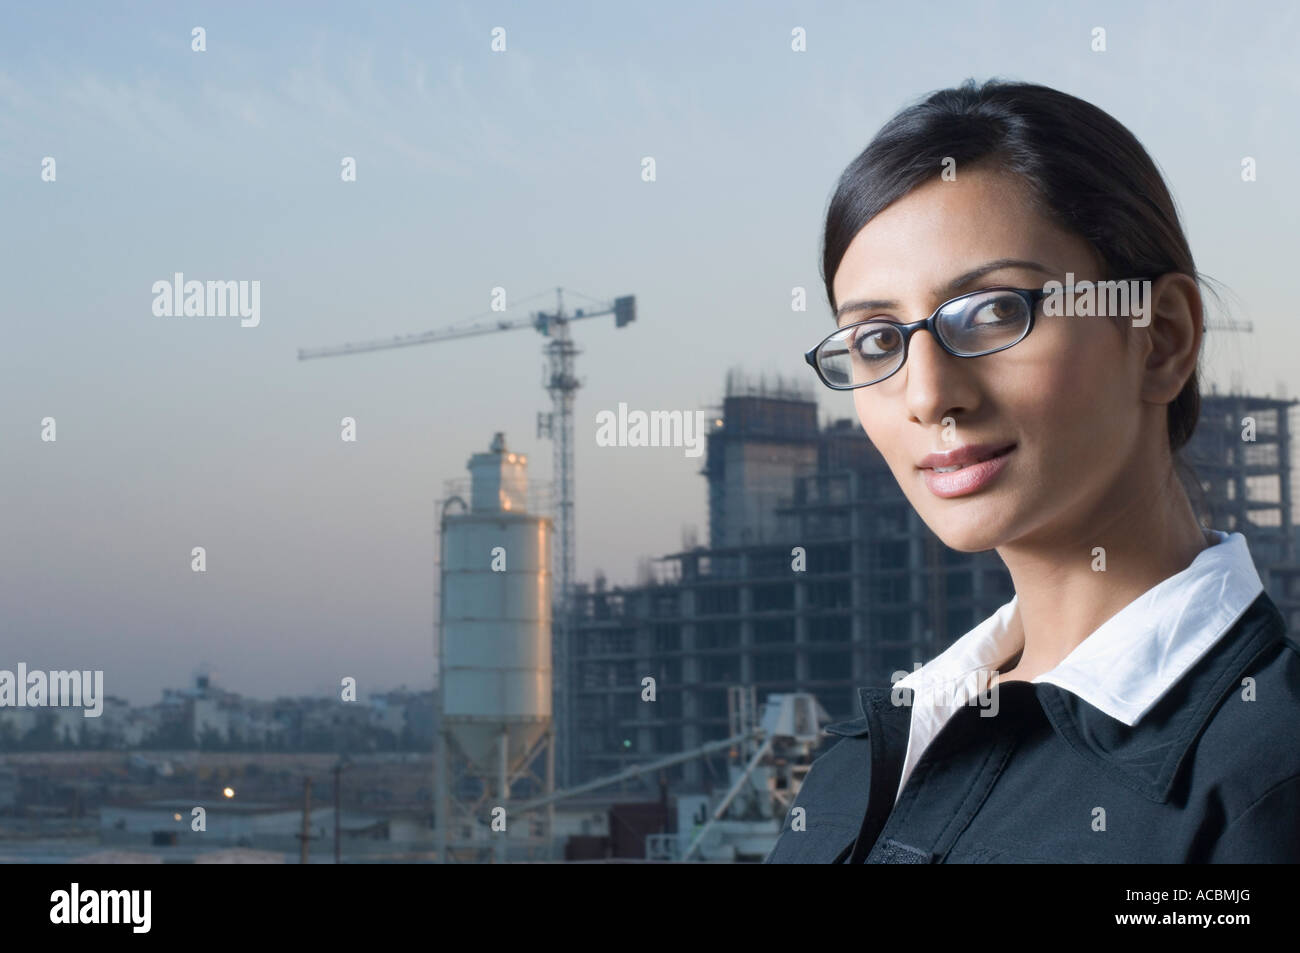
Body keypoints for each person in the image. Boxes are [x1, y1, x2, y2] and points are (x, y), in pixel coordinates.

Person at [765, 78, 1300, 863]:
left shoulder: (1266, 779)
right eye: (878, 340)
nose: (929, 395)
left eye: (993, 312)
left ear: (1162, 338)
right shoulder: (860, 763)